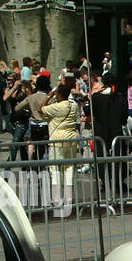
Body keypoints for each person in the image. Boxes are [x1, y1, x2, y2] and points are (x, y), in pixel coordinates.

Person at [40, 82, 80, 215]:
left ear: (59, 95)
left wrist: (49, 96)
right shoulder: (73, 105)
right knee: (69, 167)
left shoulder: (57, 107)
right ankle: (69, 197)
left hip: (57, 139)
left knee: (55, 168)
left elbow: (41, 108)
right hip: (72, 137)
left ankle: (57, 197)